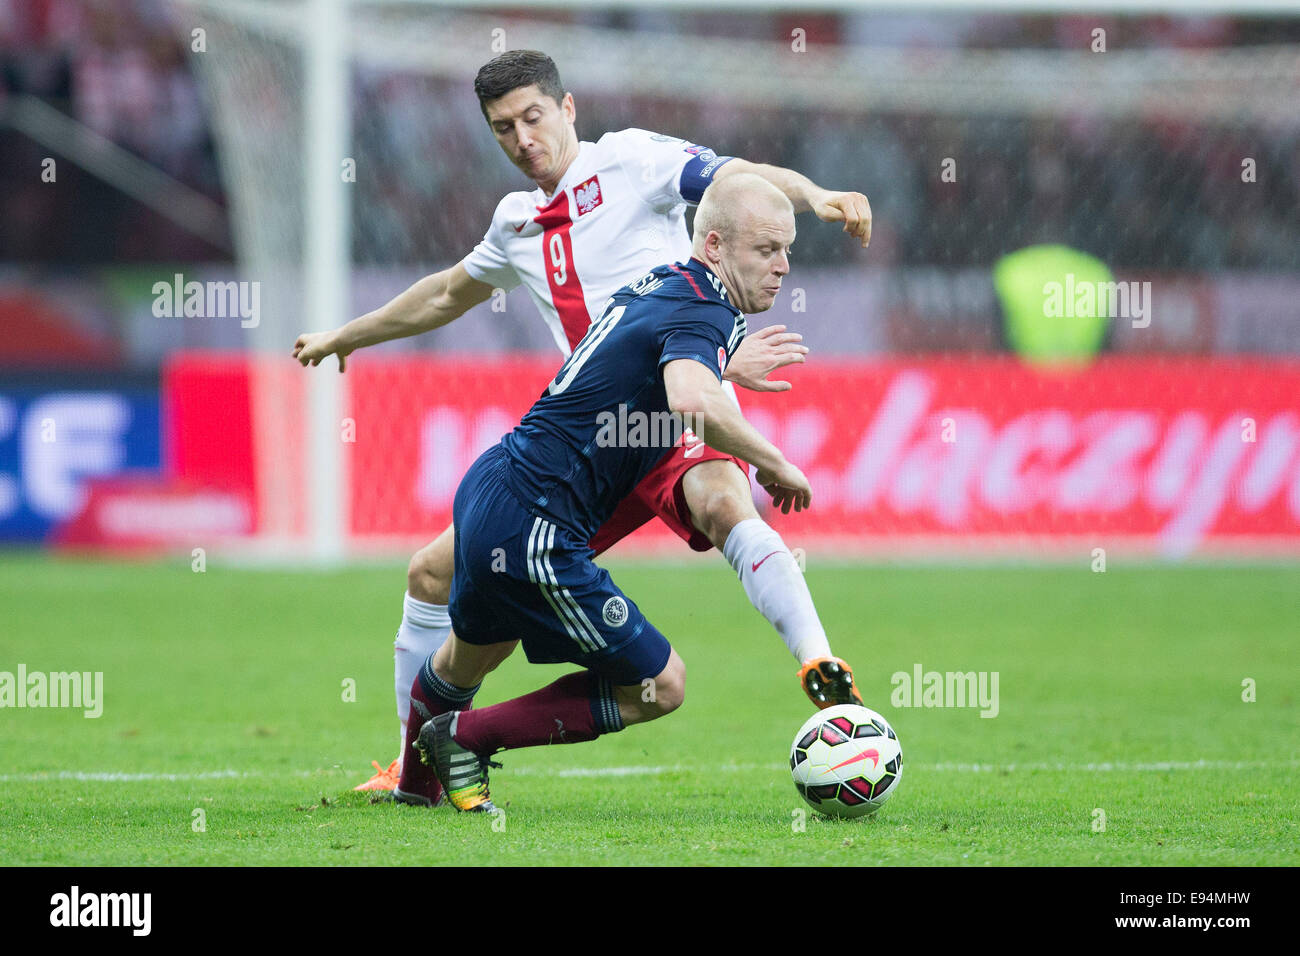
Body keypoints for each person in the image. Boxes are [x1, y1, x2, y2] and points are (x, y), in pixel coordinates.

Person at [292, 50, 871, 796]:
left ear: (568, 110)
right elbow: (443, 296)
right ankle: (416, 766)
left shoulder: (630, 161)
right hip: (589, 447)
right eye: (504, 128)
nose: (524, 137)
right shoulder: (515, 221)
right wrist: (348, 335)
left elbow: (733, 182)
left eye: (535, 116)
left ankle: (816, 657)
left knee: (723, 502)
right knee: (434, 575)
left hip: (663, 416)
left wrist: (815, 194)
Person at [414, 172, 830, 811]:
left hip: (490, 488)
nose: (783, 267)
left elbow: (651, 368)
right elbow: (691, 398)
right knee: (660, 686)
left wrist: (723, 362)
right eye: (766, 250)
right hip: (537, 527)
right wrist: (776, 462)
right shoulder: (707, 306)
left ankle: (417, 794)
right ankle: (467, 739)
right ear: (715, 244)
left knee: (461, 664)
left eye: (787, 249)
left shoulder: (663, 282)